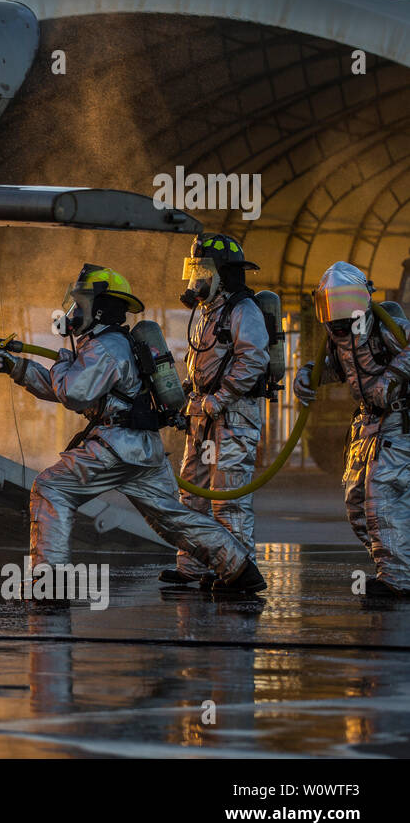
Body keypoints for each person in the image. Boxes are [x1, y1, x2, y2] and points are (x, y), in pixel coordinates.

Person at [0, 264, 267, 595]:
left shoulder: (106, 347)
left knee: (51, 489)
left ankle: (49, 585)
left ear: (101, 308)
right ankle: (238, 568)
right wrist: (17, 367)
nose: (73, 313)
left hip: (114, 446)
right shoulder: (109, 344)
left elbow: (72, 392)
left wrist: (64, 358)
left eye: (81, 305)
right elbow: (67, 386)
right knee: (172, 518)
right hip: (142, 451)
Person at [294, 261, 410, 598]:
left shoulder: (386, 327)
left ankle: (397, 580)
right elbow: (337, 368)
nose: (339, 313)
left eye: (345, 302)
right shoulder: (336, 339)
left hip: (396, 423)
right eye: (332, 304)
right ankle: (393, 567)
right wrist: (308, 375)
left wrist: (392, 379)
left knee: (380, 501)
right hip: (367, 425)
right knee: (357, 505)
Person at [162, 234, 271, 587]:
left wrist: (218, 399)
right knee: (192, 494)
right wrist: (182, 398)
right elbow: (201, 367)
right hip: (203, 415)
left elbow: (253, 359)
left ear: (222, 274)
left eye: (203, 271)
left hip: (233, 417)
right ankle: (192, 567)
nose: (197, 279)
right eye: (195, 271)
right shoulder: (209, 313)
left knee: (227, 498)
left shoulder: (243, 310)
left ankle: (237, 572)